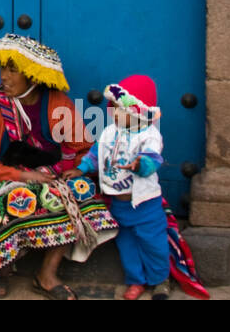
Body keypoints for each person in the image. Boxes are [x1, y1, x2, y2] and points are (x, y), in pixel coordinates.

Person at [0, 34, 117, 299]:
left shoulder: (57, 103)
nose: (4, 76)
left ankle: (46, 274)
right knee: (10, 194)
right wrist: (24, 175)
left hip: (46, 179)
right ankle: (1, 267)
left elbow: (82, 148)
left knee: (79, 190)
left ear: (32, 75)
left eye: (13, 70)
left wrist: (68, 170)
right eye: (2, 68)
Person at [64, 75, 172, 300]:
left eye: (119, 109)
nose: (113, 112)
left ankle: (160, 280)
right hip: (119, 205)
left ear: (137, 112)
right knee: (127, 245)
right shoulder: (110, 132)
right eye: (112, 107)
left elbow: (153, 158)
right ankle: (136, 280)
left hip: (144, 204)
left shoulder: (149, 135)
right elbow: (96, 154)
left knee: (153, 243)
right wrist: (82, 169)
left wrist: (140, 164)